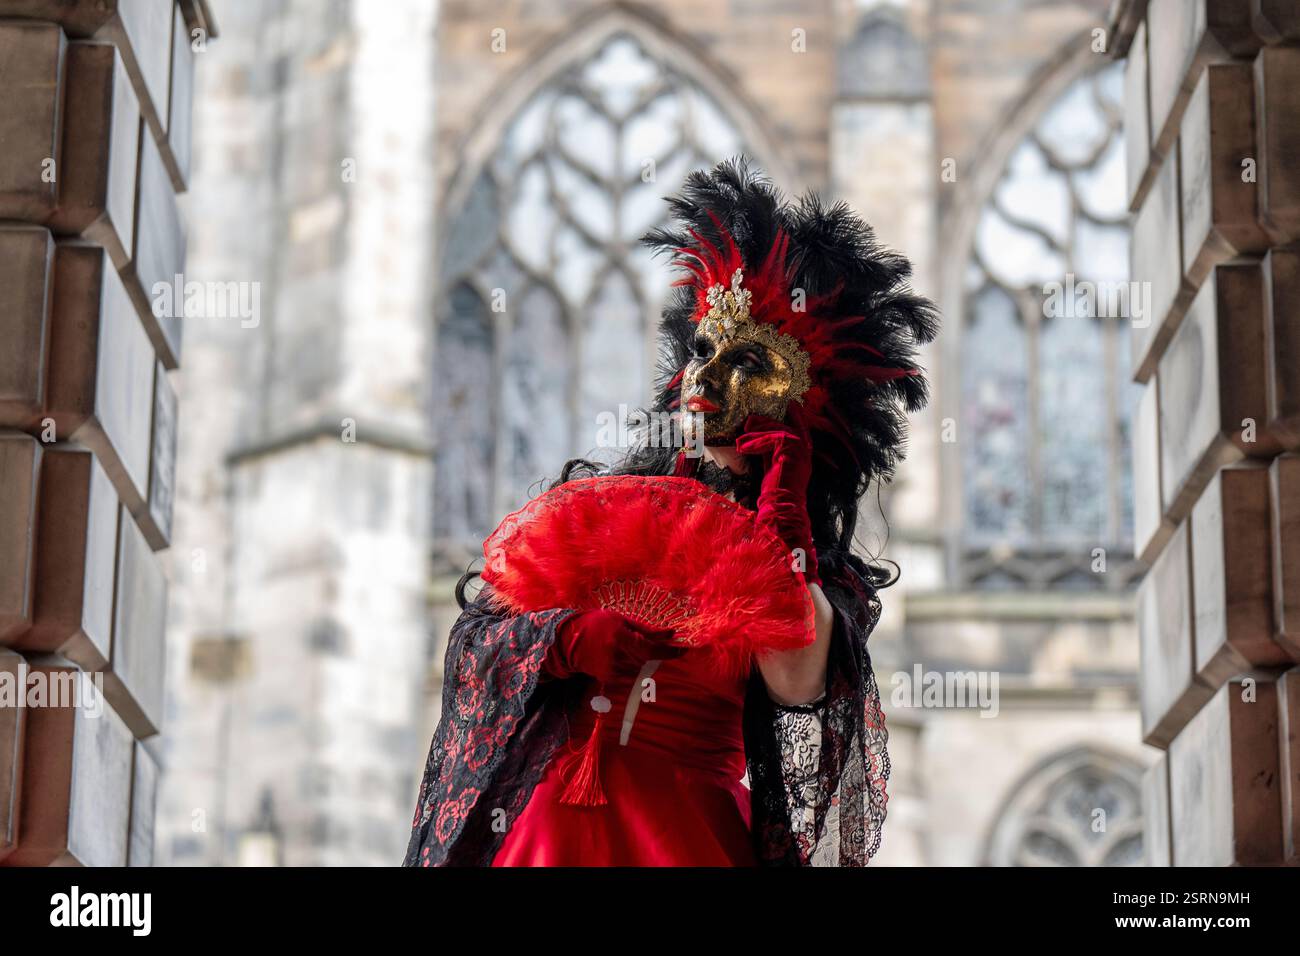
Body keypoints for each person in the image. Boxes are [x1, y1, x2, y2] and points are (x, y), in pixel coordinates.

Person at [403, 159, 938, 867]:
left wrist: (784, 520)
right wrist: (564, 639)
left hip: (680, 835)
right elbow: (478, 650)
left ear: (807, 401)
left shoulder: (819, 580)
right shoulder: (600, 512)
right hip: (542, 832)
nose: (708, 380)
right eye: (704, 351)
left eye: (748, 362)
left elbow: (796, 680)